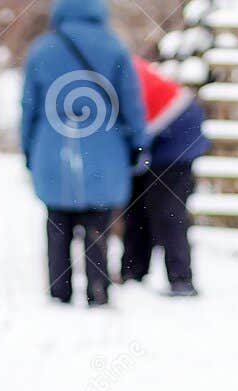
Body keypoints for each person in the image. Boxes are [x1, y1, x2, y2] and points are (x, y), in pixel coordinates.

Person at [20, 0, 145, 307]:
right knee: (97, 222)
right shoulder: (113, 46)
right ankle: (98, 291)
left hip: (52, 148)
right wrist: (138, 145)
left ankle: (59, 292)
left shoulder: (42, 49)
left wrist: (29, 150)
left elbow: (28, 109)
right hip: (104, 149)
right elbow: (131, 104)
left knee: (57, 223)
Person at [120, 56, 209, 296]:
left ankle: (181, 279)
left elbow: (130, 117)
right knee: (138, 204)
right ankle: (133, 273)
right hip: (161, 128)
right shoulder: (112, 60)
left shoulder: (109, 70)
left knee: (168, 210)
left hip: (177, 130)